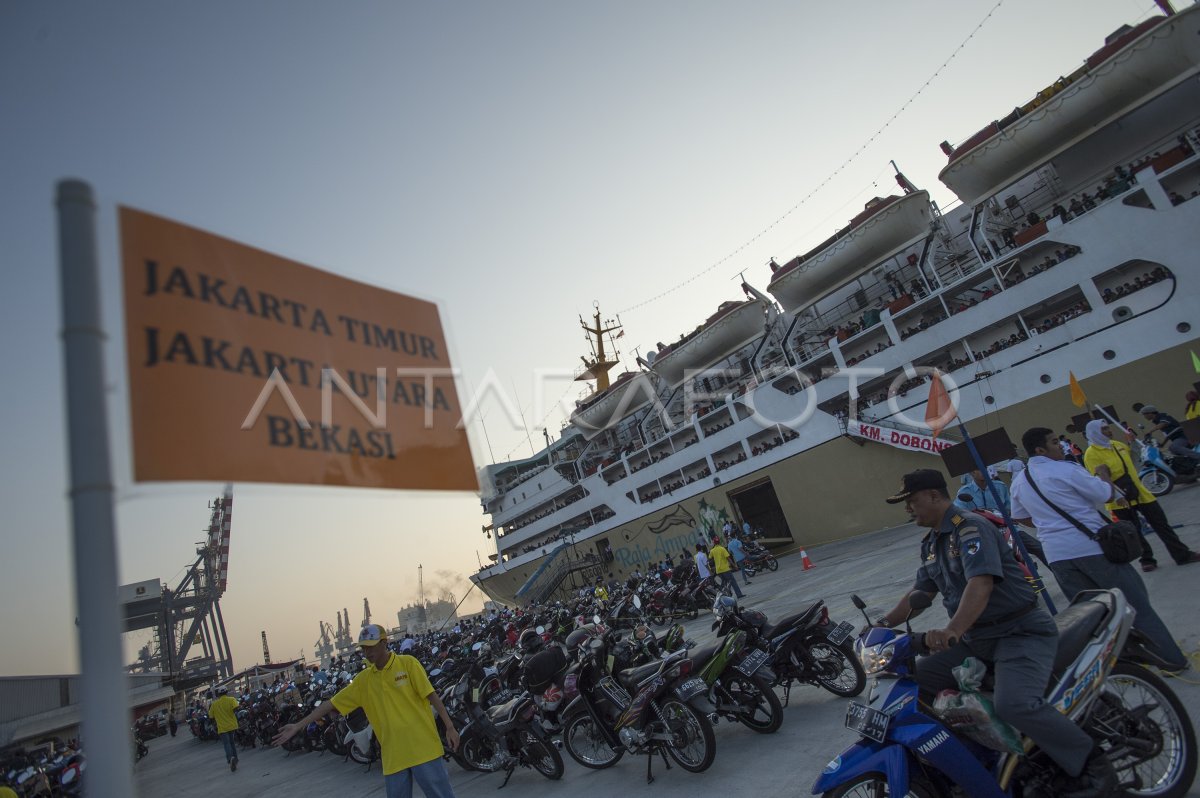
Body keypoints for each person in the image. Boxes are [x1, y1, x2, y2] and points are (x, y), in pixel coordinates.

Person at [872, 469, 1112, 796]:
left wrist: (952, 629)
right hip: (976, 640)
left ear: (933, 495)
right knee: (916, 684)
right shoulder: (931, 543)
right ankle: (979, 756)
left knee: (1015, 704)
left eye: (912, 501)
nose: (908, 509)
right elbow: (921, 592)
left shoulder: (971, 528)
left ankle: (1093, 765)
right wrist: (882, 625)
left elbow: (981, 583)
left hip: (1018, 632)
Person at [1010, 427, 1189, 670]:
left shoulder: (1019, 481)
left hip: (1058, 557)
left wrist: (1050, 522)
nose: (1061, 445)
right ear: (1040, 449)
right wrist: (1103, 474)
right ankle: (1172, 662)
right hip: (1091, 548)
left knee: (1094, 617)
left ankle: (1124, 668)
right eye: (1054, 442)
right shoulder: (1066, 470)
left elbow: (1020, 516)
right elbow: (1107, 494)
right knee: (1135, 605)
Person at [274, 624, 460, 798]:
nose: (367, 652)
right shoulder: (363, 681)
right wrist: (298, 725)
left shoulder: (408, 664)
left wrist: (450, 727)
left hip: (424, 749)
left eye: (371, 647)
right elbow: (329, 704)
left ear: (384, 643)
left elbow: (431, 695)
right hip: (393, 757)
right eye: (364, 648)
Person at [1080, 419, 1200, 571]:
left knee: (1162, 525)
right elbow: (1101, 479)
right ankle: (1147, 560)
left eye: (1108, 428)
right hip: (1120, 499)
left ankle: (1182, 555)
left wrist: (1132, 443)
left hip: (1139, 492)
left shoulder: (1117, 445)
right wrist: (1117, 496)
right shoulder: (1091, 454)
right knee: (1133, 531)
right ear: (1095, 432)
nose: (1109, 431)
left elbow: (1134, 459)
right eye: (1104, 429)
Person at [208, 685, 240, 772]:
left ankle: (230, 758)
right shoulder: (232, 699)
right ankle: (235, 759)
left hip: (222, 728)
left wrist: (214, 723)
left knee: (227, 744)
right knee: (232, 743)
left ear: (218, 694)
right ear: (226, 692)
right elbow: (236, 708)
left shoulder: (214, 704)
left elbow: (211, 717)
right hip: (232, 725)